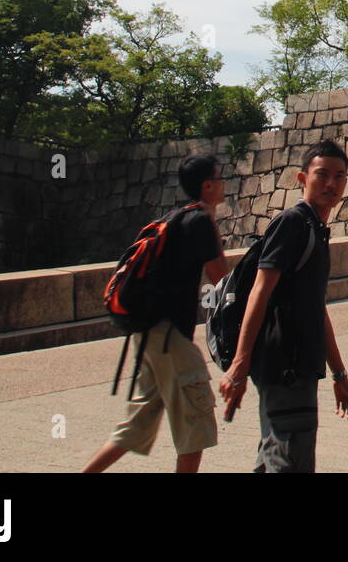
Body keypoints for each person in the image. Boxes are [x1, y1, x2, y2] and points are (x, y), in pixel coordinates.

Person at [218, 141, 348, 472]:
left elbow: (316, 308)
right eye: (321, 175)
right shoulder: (293, 223)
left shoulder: (316, 229)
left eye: (339, 176)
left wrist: (339, 374)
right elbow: (259, 292)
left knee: (280, 453)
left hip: (300, 367)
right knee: (287, 456)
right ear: (301, 178)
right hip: (284, 365)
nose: (331, 184)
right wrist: (239, 365)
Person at [83, 155, 230, 473]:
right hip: (169, 339)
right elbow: (222, 277)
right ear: (207, 185)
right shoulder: (201, 222)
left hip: (146, 334)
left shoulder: (175, 218)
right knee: (196, 422)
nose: (223, 184)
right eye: (220, 179)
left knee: (137, 424)